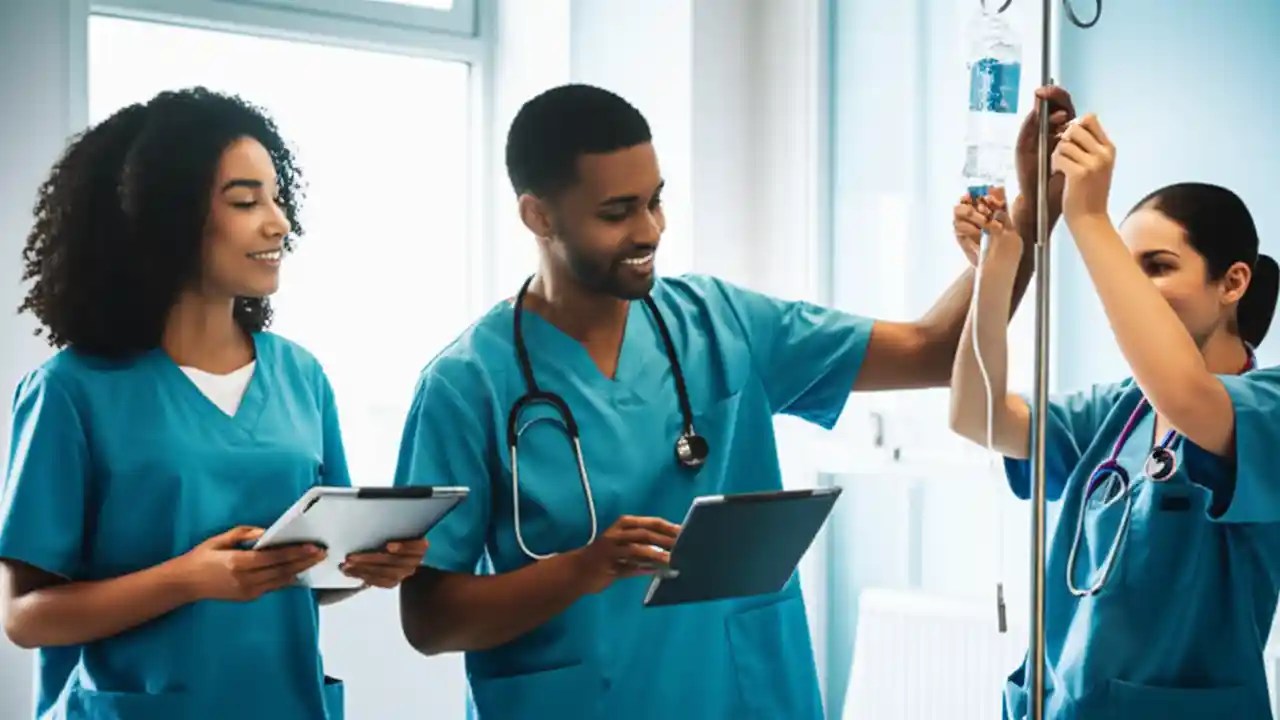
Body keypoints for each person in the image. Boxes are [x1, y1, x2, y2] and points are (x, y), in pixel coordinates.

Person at [391, 83, 1074, 719]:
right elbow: (430, 620)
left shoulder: (722, 324)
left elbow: (934, 350)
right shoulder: (467, 385)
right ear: (537, 215)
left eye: (655, 200)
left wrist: (1027, 226)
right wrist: (584, 568)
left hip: (742, 695)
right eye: (617, 212)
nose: (650, 230)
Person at [0, 87, 428, 720]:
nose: (278, 223)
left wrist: (368, 566)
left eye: (277, 199)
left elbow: (315, 579)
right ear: (166, 215)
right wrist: (188, 579)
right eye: (245, 201)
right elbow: (25, 618)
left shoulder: (300, 376)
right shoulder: (71, 391)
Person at [949, 113, 1280, 718]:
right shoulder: (1118, 412)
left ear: (1233, 282)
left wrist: (1089, 218)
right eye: (1125, 269)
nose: (1131, 287)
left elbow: (1188, 398)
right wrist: (997, 270)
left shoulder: (1270, 411)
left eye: (1155, 265)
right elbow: (979, 417)